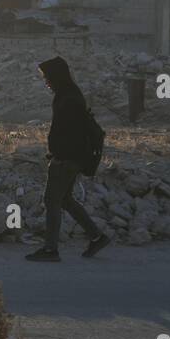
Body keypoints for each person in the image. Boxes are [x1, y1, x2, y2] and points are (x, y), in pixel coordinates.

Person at [26, 56, 110, 262]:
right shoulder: (68, 94)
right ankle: (97, 236)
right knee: (65, 200)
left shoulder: (69, 98)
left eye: (47, 77)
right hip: (70, 157)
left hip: (66, 159)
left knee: (52, 200)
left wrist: (59, 156)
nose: (46, 81)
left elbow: (71, 134)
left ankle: (50, 250)